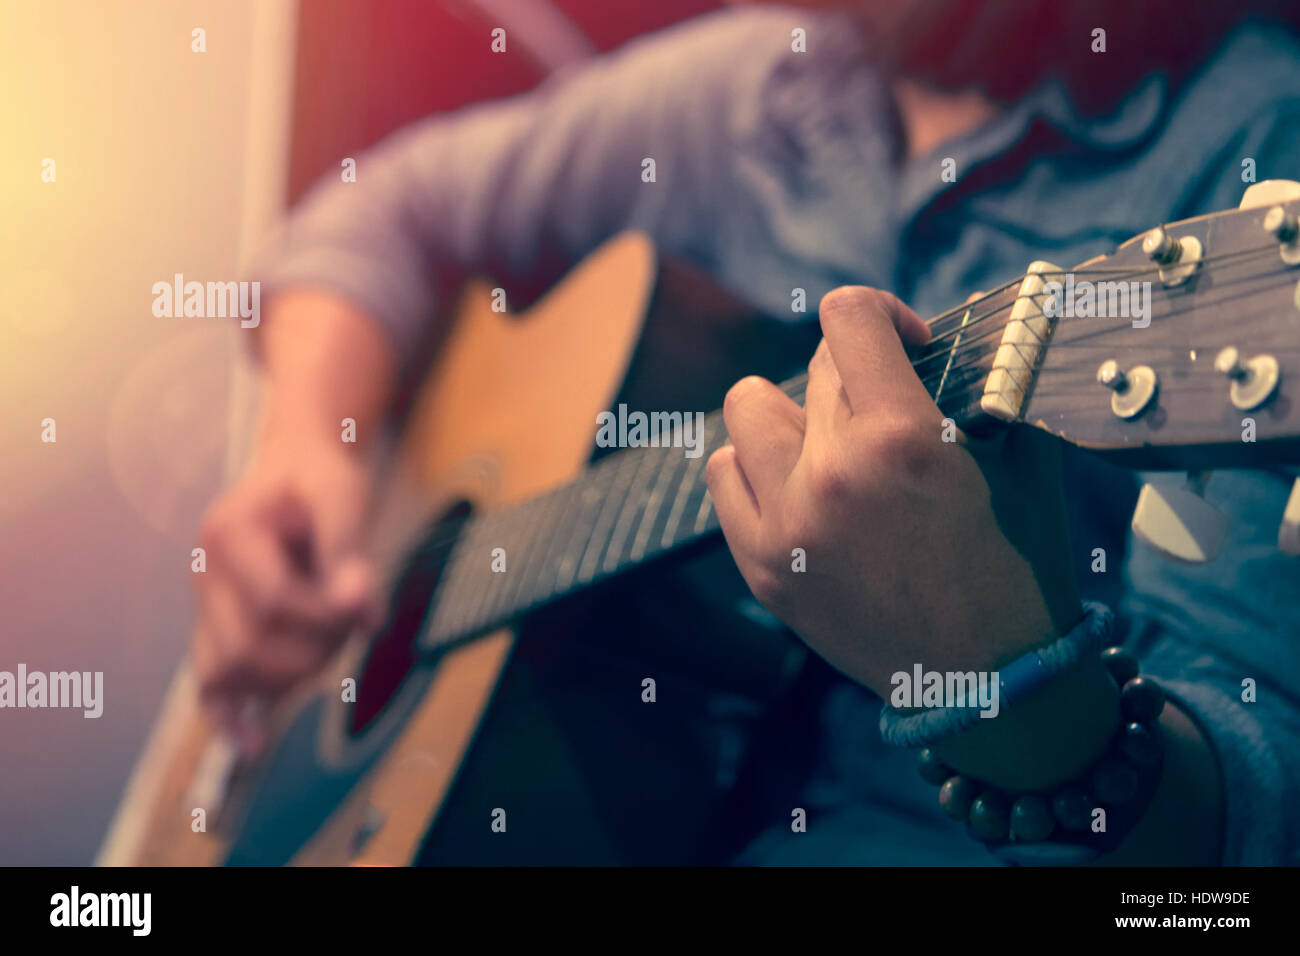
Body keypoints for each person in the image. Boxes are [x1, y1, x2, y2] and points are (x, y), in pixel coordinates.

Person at [193, 1, 1300, 864]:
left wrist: (1003, 693)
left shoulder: (1259, 140)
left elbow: (1252, 823)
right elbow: (379, 207)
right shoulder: (756, 81)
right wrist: (310, 442)